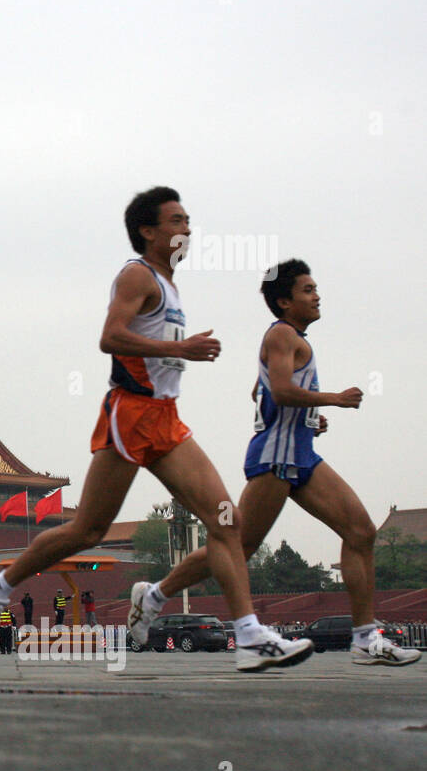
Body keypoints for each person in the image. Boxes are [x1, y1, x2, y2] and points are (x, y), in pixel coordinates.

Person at [0, 187, 311, 672]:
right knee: (88, 529)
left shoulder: (170, 285)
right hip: (129, 414)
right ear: (149, 231)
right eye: (176, 221)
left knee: (226, 520)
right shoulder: (137, 275)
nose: (186, 229)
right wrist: (186, 349)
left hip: (167, 419)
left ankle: (249, 635)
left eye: (188, 220)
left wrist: (181, 351)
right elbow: (110, 337)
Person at [130, 260, 420, 667]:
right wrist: (332, 399)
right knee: (240, 545)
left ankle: (366, 638)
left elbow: (261, 391)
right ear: (284, 301)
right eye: (307, 290)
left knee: (360, 532)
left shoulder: (289, 338)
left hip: (300, 455)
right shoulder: (283, 335)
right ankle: (156, 594)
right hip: (275, 459)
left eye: (316, 288)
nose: (317, 296)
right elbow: (280, 390)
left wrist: (306, 419)